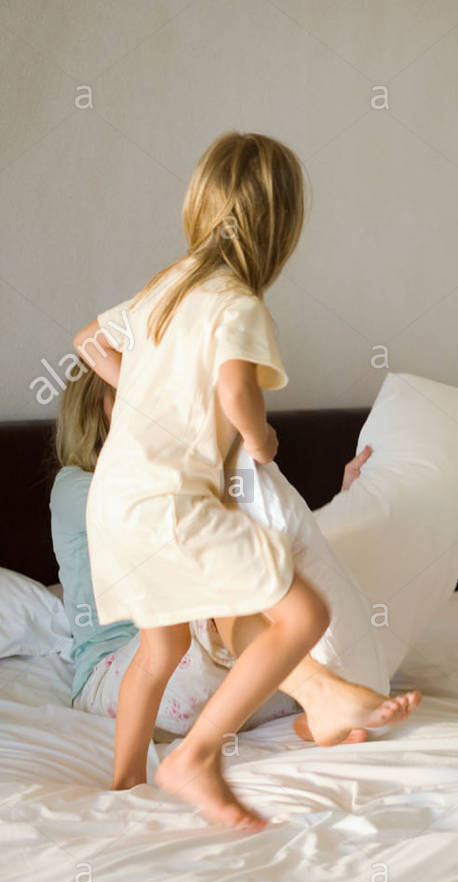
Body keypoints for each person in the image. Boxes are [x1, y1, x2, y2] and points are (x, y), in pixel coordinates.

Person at [73, 131, 414, 829]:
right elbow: (236, 391)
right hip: (171, 506)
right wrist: (260, 438)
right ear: (278, 228)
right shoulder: (238, 304)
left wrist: (147, 399)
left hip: (115, 504)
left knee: (158, 649)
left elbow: (87, 341)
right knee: (303, 615)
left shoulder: (164, 288)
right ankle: (196, 754)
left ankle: (123, 782)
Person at [50, 369, 398, 746]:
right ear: (91, 411)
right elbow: (177, 520)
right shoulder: (75, 484)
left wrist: (346, 506)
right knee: (224, 582)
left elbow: (271, 535)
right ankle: (318, 693)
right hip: (119, 684)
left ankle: (316, 712)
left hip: (224, 686)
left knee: (286, 587)